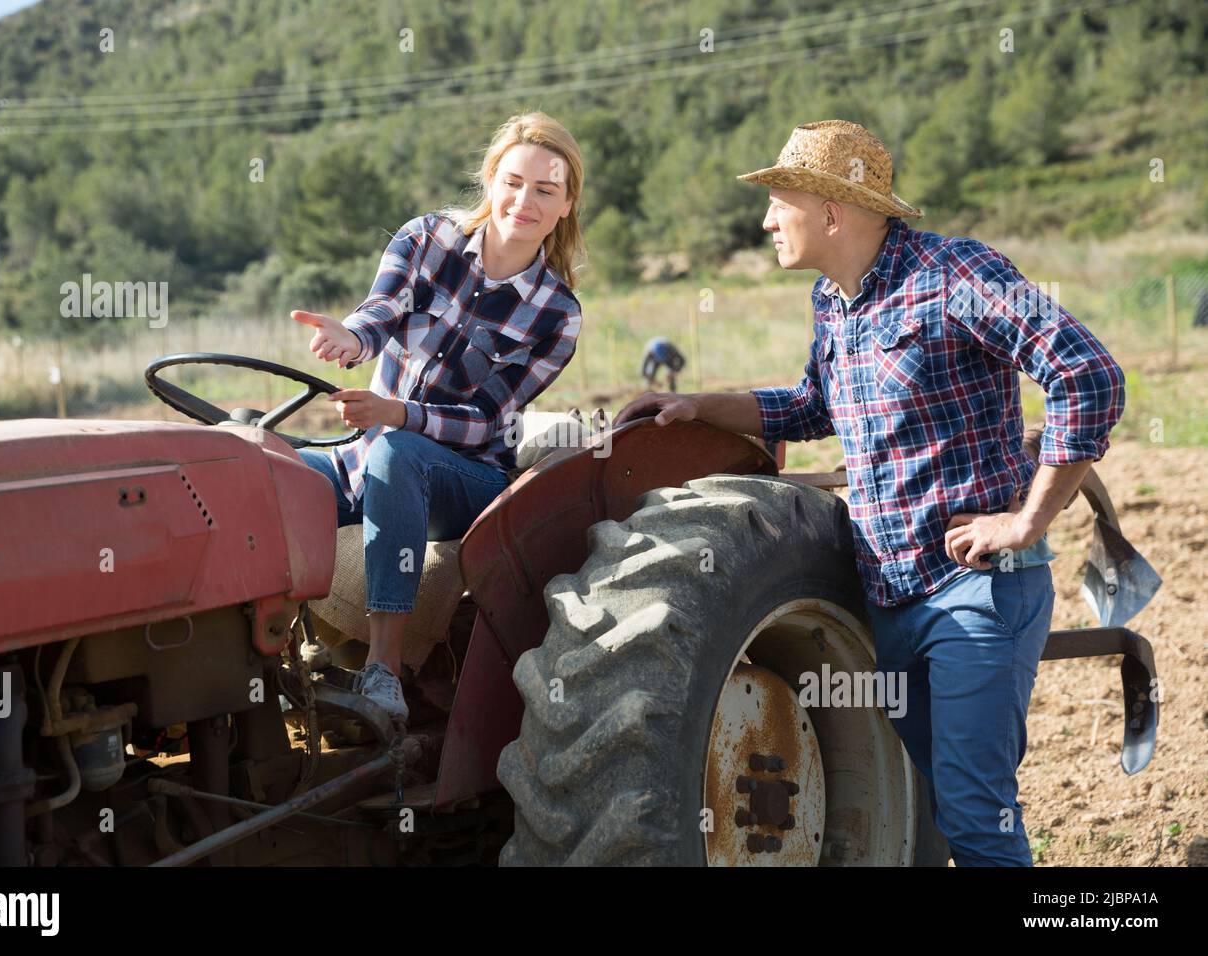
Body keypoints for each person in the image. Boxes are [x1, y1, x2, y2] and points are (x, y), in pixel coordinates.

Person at [612, 120, 1125, 866]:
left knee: (979, 817)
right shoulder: (834, 300)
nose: (765, 221)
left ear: (832, 210)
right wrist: (698, 405)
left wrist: (1025, 520)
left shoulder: (955, 276)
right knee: (946, 807)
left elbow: (1088, 374)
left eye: (778, 202)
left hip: (975, 594)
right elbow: (814, 405)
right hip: (893, 603)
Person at [289, 112, 585, 722]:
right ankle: (276, 663)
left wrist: (397, 412)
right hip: (365, 451)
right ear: (490, 181)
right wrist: (352, 338)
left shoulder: (558, 314)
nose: (522, 200)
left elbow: (484, 419)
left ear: (566, 204)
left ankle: (383, 673)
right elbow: (380, 311)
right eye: (512, 181)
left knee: (399, 450)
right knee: (265, 466)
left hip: (468, 478)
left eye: (544, 190)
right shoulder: (424, 238)